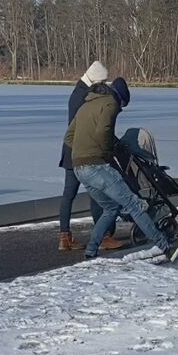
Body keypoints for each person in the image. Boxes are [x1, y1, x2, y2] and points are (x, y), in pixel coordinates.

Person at [65, 76, 178, 260]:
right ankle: (165, 247)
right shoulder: (111, 104)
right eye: (122, 105)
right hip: (96, 166)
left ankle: (91, 251)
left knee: (110, 208)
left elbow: (69, 137)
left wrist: (85, 148)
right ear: (120, 98)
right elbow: (103, 132)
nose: (120, 109)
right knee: (134, 204)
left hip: (79, 168)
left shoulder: (86, 104)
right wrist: (106, 152)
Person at [57, 61, 122, 252]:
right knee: (97, 193)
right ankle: (104, 237)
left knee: (69, 194)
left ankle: (64, 237)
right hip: (83, 152)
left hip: (70, 152)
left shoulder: (78, 92)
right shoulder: (84, 96)